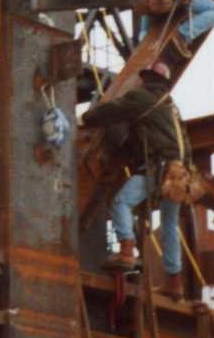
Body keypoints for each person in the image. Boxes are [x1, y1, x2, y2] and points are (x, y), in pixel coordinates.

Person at [79, 62, 190, 298]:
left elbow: (113, 111)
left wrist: (86, 117)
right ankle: (174, 281)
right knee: (170, 224)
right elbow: (185, 143)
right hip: (179, 172)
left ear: (147, 78)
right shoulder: (172, 107)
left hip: (158, 167)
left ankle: (127, 251)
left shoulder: (143, 96)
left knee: (122, 203)